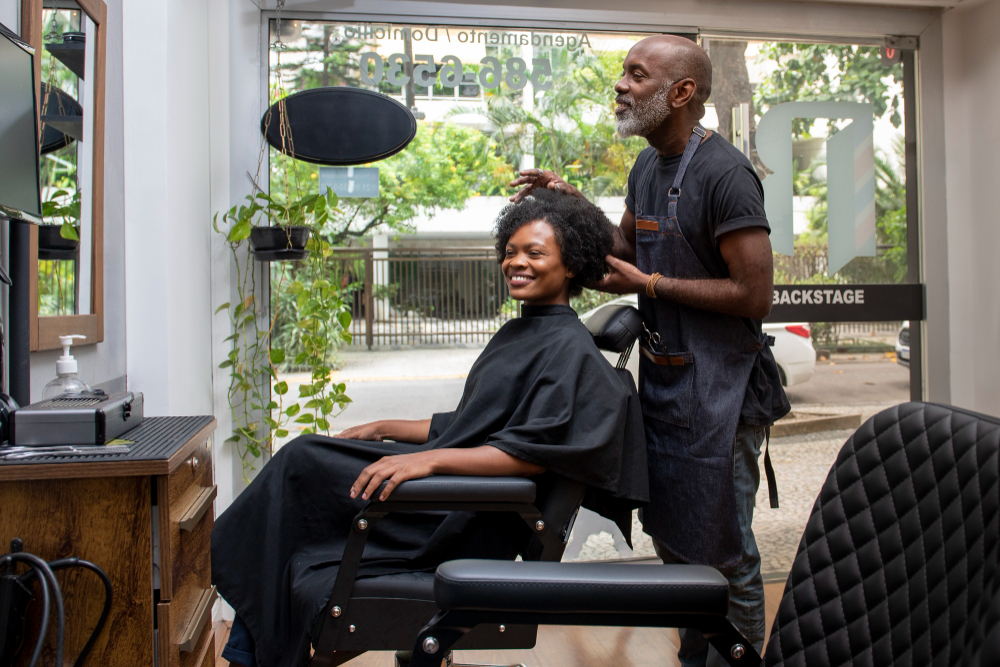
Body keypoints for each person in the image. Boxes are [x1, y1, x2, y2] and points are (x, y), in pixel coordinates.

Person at [212, 190, 648, 667]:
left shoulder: (570, 351)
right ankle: (251, 655)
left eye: (534, 253)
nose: (516, 262)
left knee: (301, 465)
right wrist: (384, 427)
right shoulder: (525, 331)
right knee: (304, 468)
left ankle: (226, 615)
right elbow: (467, 425)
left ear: (571, 266)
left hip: (460, 516)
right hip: (448, 498)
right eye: (510, 251)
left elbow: (530, 454)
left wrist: (428, 460)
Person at [509, 35, 790, 666]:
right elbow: (625, 258)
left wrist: (655, 287)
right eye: (624, 73)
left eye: (637, 75)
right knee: (676, 541)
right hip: (668, 386)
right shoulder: (647, 166)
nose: (621, 85)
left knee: (728, 557)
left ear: (681, 92)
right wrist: (571, 203)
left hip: (725, 396)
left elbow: (754, 294)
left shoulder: (726, 174)